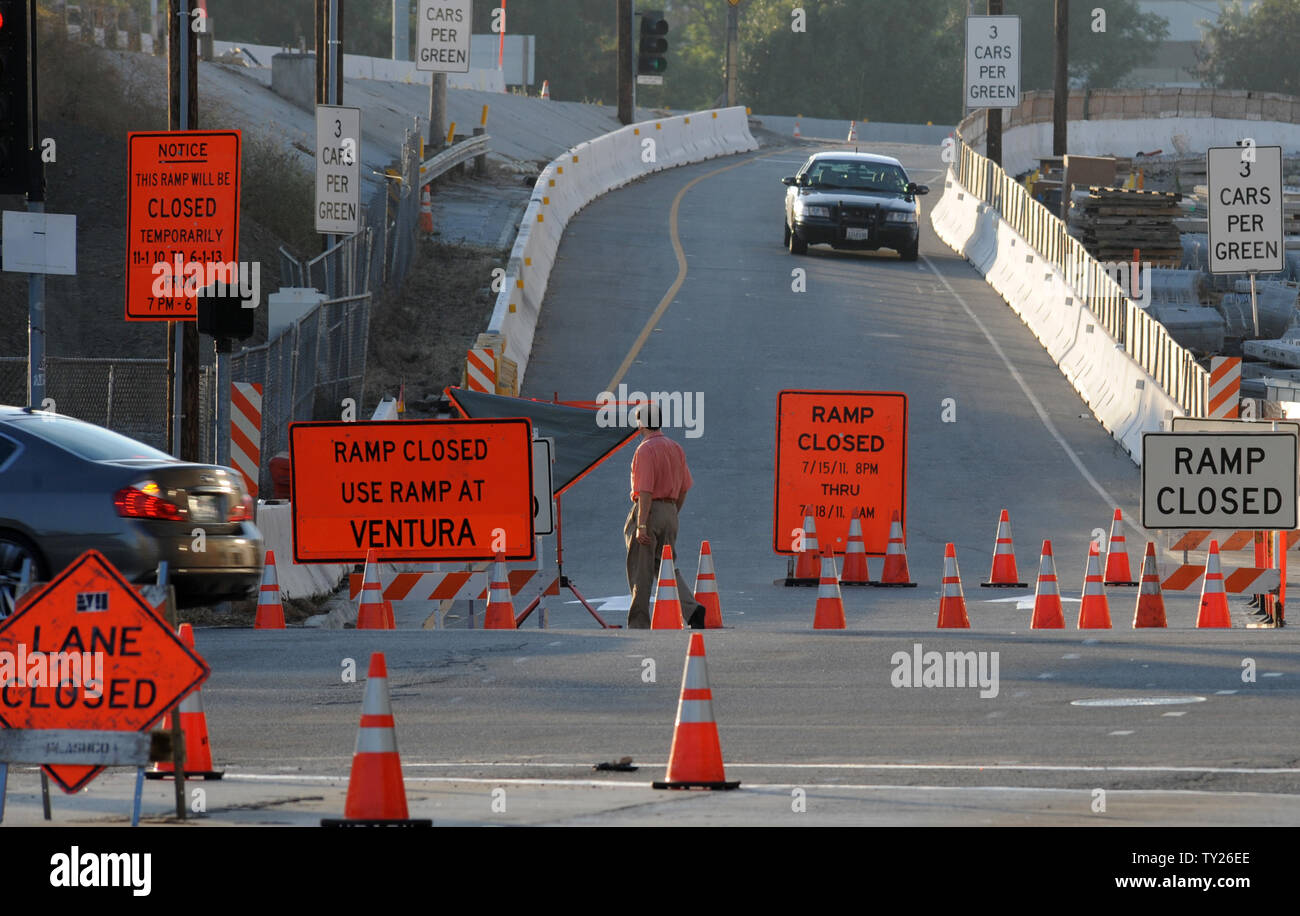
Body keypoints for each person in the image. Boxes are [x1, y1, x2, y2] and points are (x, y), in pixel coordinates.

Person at [624, 401, 707, 629]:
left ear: (641, 424)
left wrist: (641, 525)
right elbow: (684, 487)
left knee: (641, 568)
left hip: (650, 512)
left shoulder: (645, 449)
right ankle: (692, 610)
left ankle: (639, 622)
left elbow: (645, 491)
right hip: (670, 511)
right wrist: (672, 512)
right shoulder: (675, 447)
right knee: (666, 566)